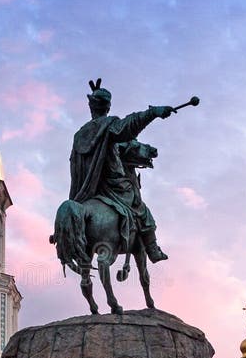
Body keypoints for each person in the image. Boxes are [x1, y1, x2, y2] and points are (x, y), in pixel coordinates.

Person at [69, 79, 172, 262]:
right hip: (113, 186)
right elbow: (129, 126)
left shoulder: (80, 135)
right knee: (142, 209)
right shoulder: (109, 127)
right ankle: (153, 249)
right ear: (108, 107)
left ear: (91, 107)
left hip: (86, 192)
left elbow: (76, 169)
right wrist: (153, 112)